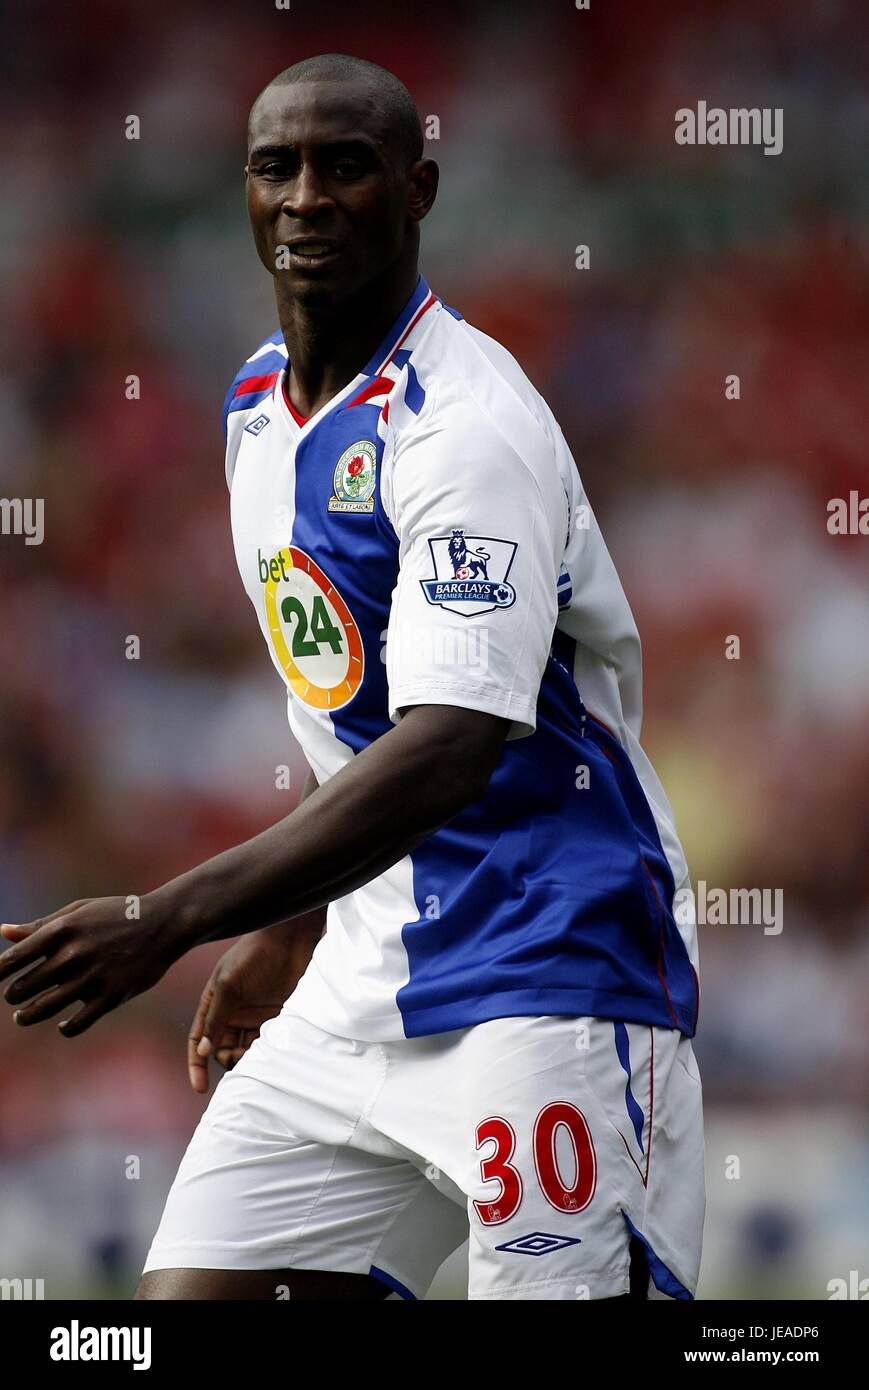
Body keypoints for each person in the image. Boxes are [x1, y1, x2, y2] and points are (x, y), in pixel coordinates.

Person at [0, 53, 704, 1302]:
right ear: (245, 194)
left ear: (418, 189)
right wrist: (291, 923)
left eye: (347, 165)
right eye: (278, 167)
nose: (308, 197)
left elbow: (448, 744)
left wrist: (171, 916)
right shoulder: (258, 411)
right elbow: (351, 712)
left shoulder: (466, 426)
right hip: (359, 982)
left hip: (545, 963)